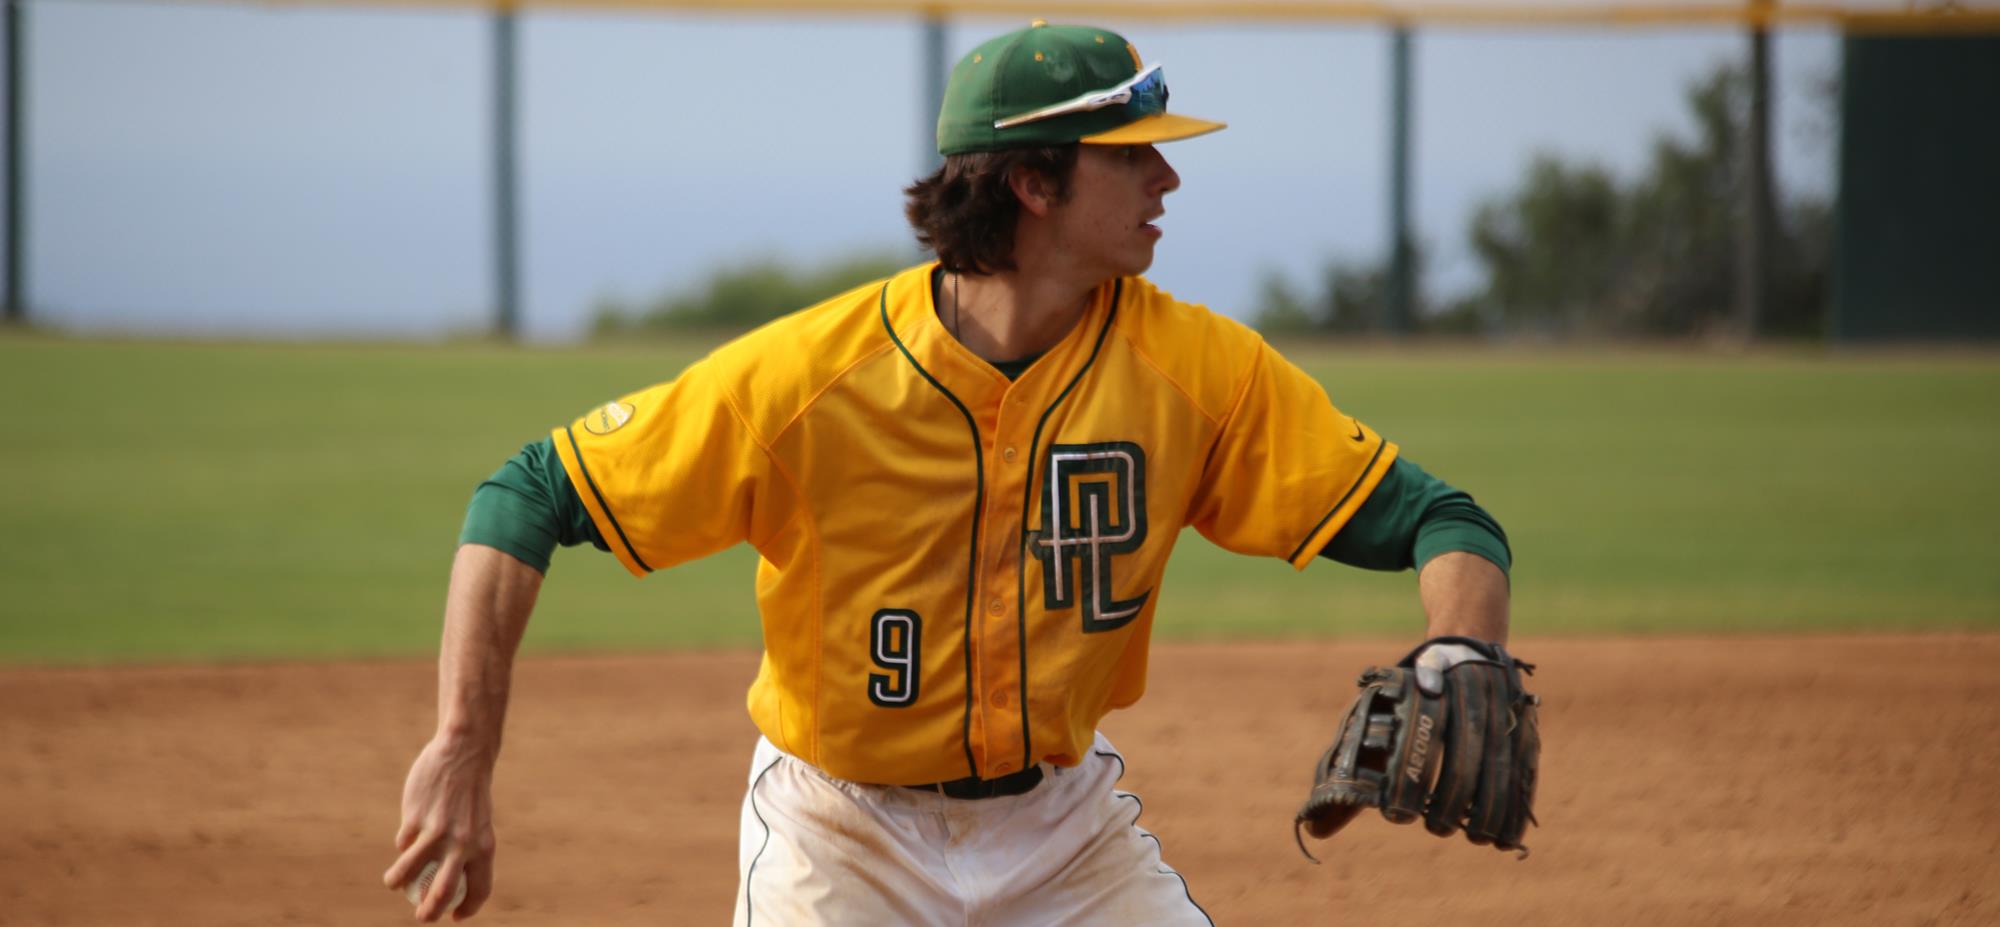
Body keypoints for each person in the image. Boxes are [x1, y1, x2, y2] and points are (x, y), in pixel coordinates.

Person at [384, 20, 1514, 925]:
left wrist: (1462, 639)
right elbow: (528, 492)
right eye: (1131, 154)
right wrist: (460, 748)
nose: (1166, 177)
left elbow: (1441, 520)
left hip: (1066, 834)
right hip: (840, 840)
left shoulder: (1196, 370)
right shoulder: (808, 380)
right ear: (1032, 182)